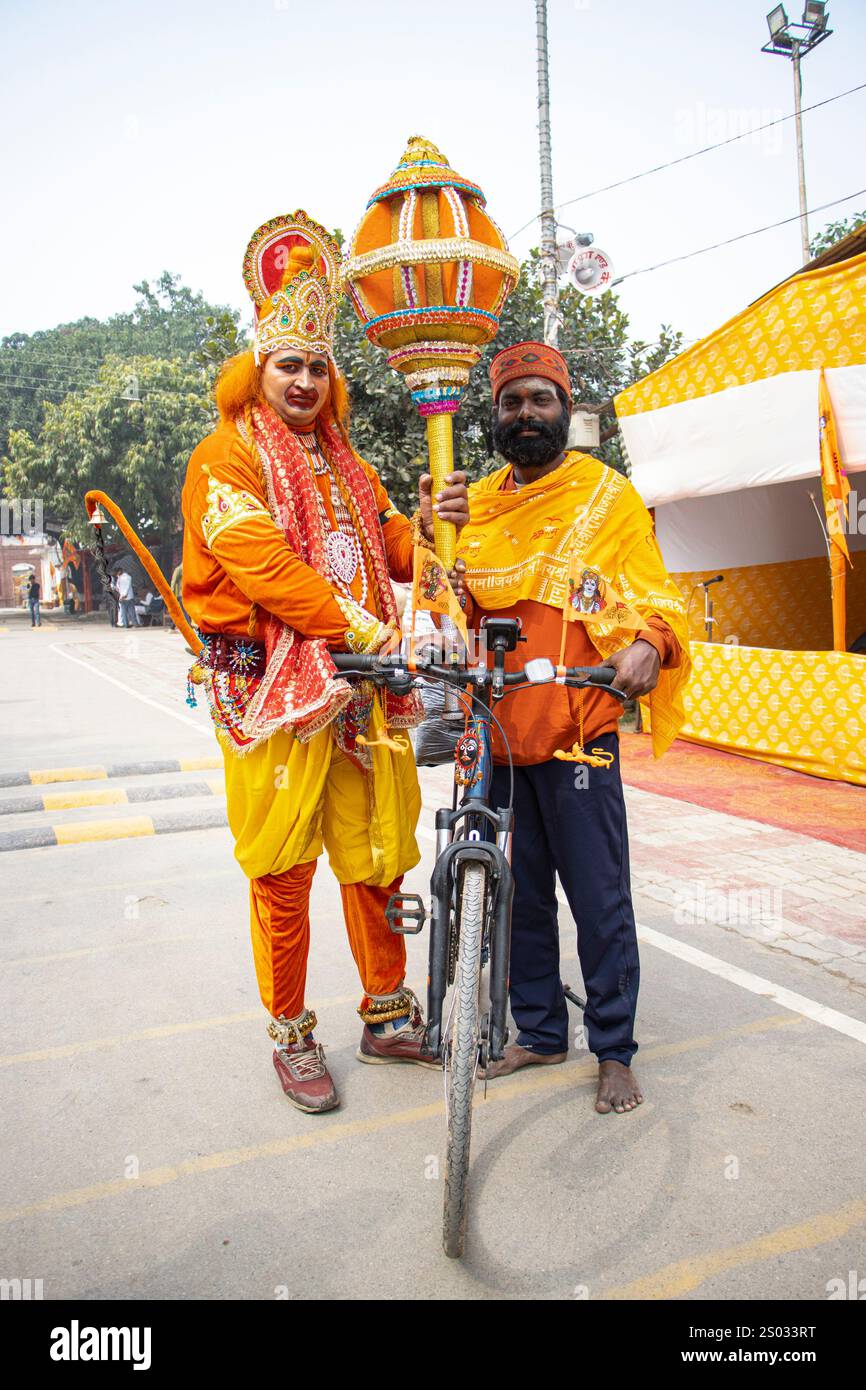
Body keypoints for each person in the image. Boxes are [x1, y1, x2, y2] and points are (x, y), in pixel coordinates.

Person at [181, 211, 468, 1114]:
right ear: (257, 368)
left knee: (378, 853)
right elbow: (269, 570)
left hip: (361, 691)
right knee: (283, 868)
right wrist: (372, 634)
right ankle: (292, 1035)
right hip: (274, 690)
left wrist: (425, 529)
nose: (305, 381)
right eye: (288, 365)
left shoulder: (346, 460)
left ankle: (386, 1015)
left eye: (317, 366)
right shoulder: (222, 458)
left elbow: (386, 546)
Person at [457, 341, 691, 1115]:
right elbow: (438, 607)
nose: (526, 414)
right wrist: (433, 535)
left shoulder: (608, 498)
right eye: (512, 402)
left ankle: (615, 1049)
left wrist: (648, 645)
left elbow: (658, 598)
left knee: (597, 899)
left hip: (578, 731)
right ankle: (539, 1030)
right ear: (495, 415)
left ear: (566, 407)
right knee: (515, 897)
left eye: (540, 400)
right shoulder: (474, 506)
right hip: (494, 734)